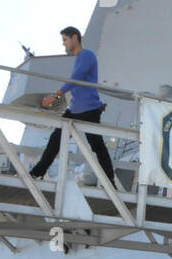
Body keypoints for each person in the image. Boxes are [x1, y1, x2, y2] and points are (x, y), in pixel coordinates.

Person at [29, 26, 116, 183]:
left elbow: (77, 78)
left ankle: (110, 181)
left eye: (65, 40)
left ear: (74, 37)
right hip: (75, 109)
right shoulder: (79, 58)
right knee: (55, 140)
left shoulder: (87, 55)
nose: (64, 44)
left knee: (97, 146)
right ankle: (37, 173)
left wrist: (55, 96)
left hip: (89, 109)